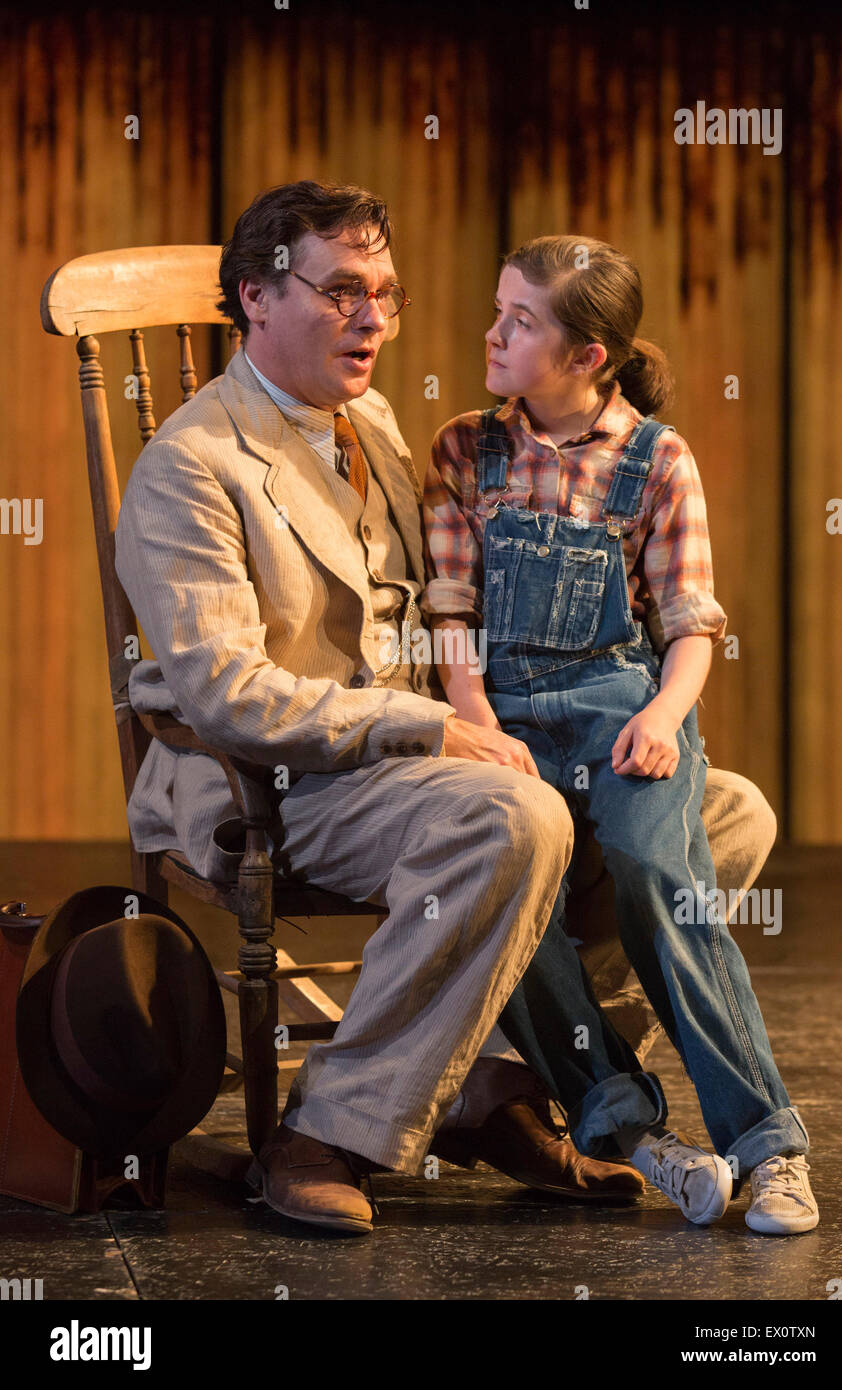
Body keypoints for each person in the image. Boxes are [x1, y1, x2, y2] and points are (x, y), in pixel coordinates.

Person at [113, 181, 779, 1237]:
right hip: (279, 773)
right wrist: (434, 725)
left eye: (385, 293)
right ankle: (323, 1130)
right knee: (512, 819)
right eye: (340, 292)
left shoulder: (370, 423)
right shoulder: (189, 468)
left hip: (417, 756)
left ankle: (490, 1077)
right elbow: (226, 694)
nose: (372, 319)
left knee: (723, 811)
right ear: (255, 297)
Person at [422, 233, 818, 1235]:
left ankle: (766, 1147)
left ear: (587, 354)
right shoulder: (466, 446)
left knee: (661, 882)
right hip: (499, 711)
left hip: (618, 702)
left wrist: (660, 717)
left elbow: (689, 623)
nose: (491, 332)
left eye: (519, 321)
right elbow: (450, 613)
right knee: (511, 896)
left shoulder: (655, 458)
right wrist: (469, 718)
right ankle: (628, 1127)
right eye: (496, 309)